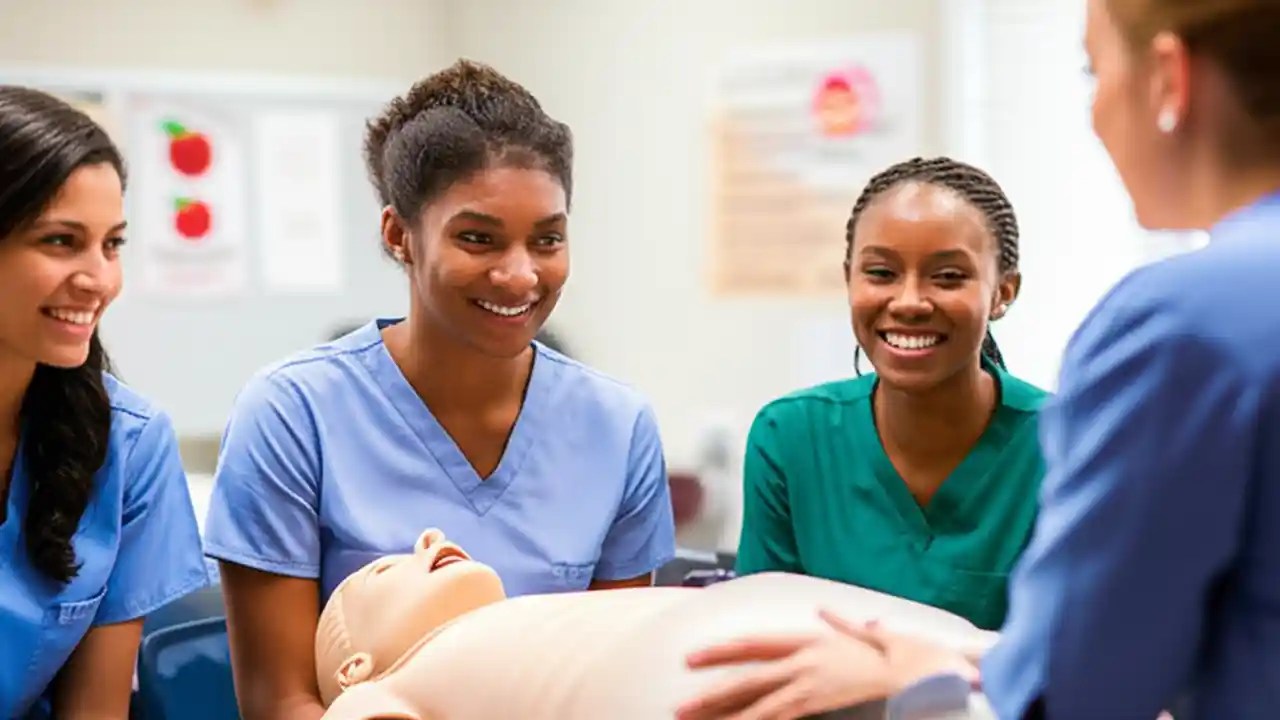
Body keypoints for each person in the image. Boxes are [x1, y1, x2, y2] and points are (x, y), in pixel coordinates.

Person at [677, 0, 1280, 717]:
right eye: (879, 272)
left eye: (1094, 70)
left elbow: (1079, 688)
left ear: (1169, 80)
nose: (1092, 113)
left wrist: (926, 670)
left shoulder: (1182, 327)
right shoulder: (793, 435)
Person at [202, 59, 676, 720]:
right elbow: (281, 702)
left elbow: (609, 689)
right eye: (478, 239)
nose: (519, 275)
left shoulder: (617, 427)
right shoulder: (292, 414)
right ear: (400, 235)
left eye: (548, 240)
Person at [735, 156, 1049, 631]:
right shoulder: (791, 439)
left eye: (948, 277)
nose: (908, 302)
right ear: (848, 279)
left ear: (1004, 292)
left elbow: (1087, 659)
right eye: (881, 273)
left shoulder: (1071, 445)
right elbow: (759, 643)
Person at [0, 86, 210, 717]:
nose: (99, 279)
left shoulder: (129, 446)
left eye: (112, 244)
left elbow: (95, 711)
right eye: (61, 241)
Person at [313, 528, 993, 720]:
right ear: (354, 669)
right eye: (386, 571)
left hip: (905, 656)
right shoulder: (388, 686)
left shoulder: (531, 628)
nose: (430, 538)